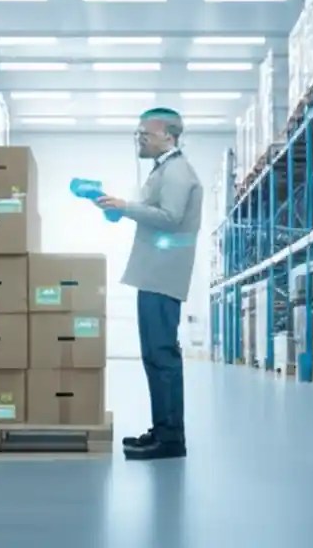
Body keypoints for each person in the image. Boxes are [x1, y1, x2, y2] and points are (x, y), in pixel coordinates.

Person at [96, 107, 203, 460]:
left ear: (168, 137)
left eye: (146, 134)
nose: (140, 139)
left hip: (163, 276)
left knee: (162, 356)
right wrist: (124, 208)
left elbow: (171, 218)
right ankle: (162, 429)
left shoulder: (177, 172)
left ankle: (171, 438)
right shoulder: (166, 170)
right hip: (156, 273)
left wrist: (126, 206)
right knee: (155, 356)